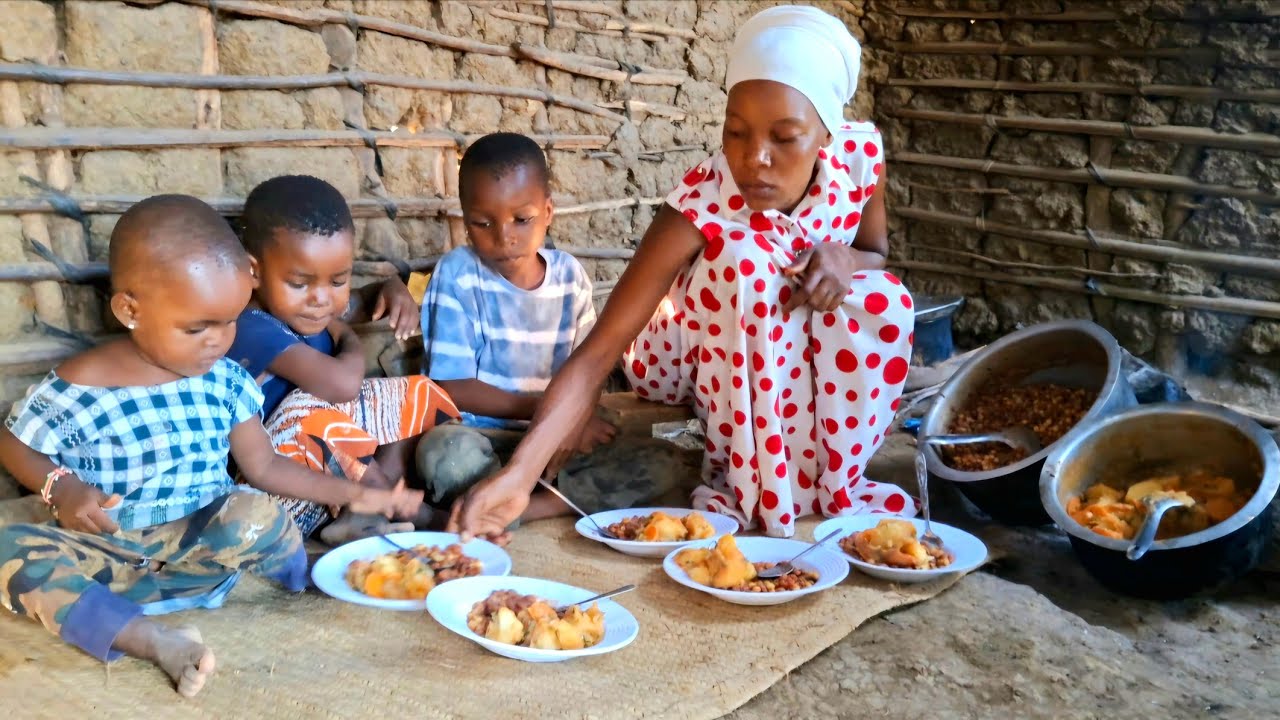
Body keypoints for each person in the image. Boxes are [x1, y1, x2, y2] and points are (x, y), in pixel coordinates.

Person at [448, 6, 916, 541]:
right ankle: (755, 476)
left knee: (884, 298)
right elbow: (600, 352)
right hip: (697, 356)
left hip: (798, 357)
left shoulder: (860, 159)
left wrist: (844, 257)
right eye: (735, 132)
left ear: (827, 136)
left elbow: (876, 252)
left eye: (784, 138)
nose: (753, 158)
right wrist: (517, 475)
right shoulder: (703, 201)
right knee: (748, 262)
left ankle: (819, 474)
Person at [0, 195, 421, 697]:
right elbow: (12, 440)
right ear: (129, 309)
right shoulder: (79, 384)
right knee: (10, 550)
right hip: (106, 549)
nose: (219, 341)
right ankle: (154, 640)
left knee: (255, 512)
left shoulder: (223, 381)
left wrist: (356, 495)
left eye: (231, 321)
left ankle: (306, 579)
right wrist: (59, 487)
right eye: (198, 327)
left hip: (201, 550)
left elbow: (262, 465)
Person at [416, 133, 691, 533]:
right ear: (464, 218)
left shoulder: (570, 277)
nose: (504, 236)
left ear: (548, 212)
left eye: (522, 219)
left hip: (561, 439)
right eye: (482, 223)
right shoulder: (458, 274)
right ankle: (511, 498)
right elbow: (451, 388)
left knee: (674, 456)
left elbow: (592, 367)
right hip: (479, 435)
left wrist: (574, 421)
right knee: (443, 455)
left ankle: (523, 507)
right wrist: (550, 413)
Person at [226, 176, 459, 544]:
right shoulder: (252, 327)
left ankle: (379, 498)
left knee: (418, 391)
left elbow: (360, 301)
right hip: (281, 497)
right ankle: (398, 507)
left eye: (338, 281)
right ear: (254, 271)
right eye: (300, 283)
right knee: (307, 411)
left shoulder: (307, 308)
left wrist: (391, 288)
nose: (321, 299)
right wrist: (345, 334)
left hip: (339, 485)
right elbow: (342, 385)